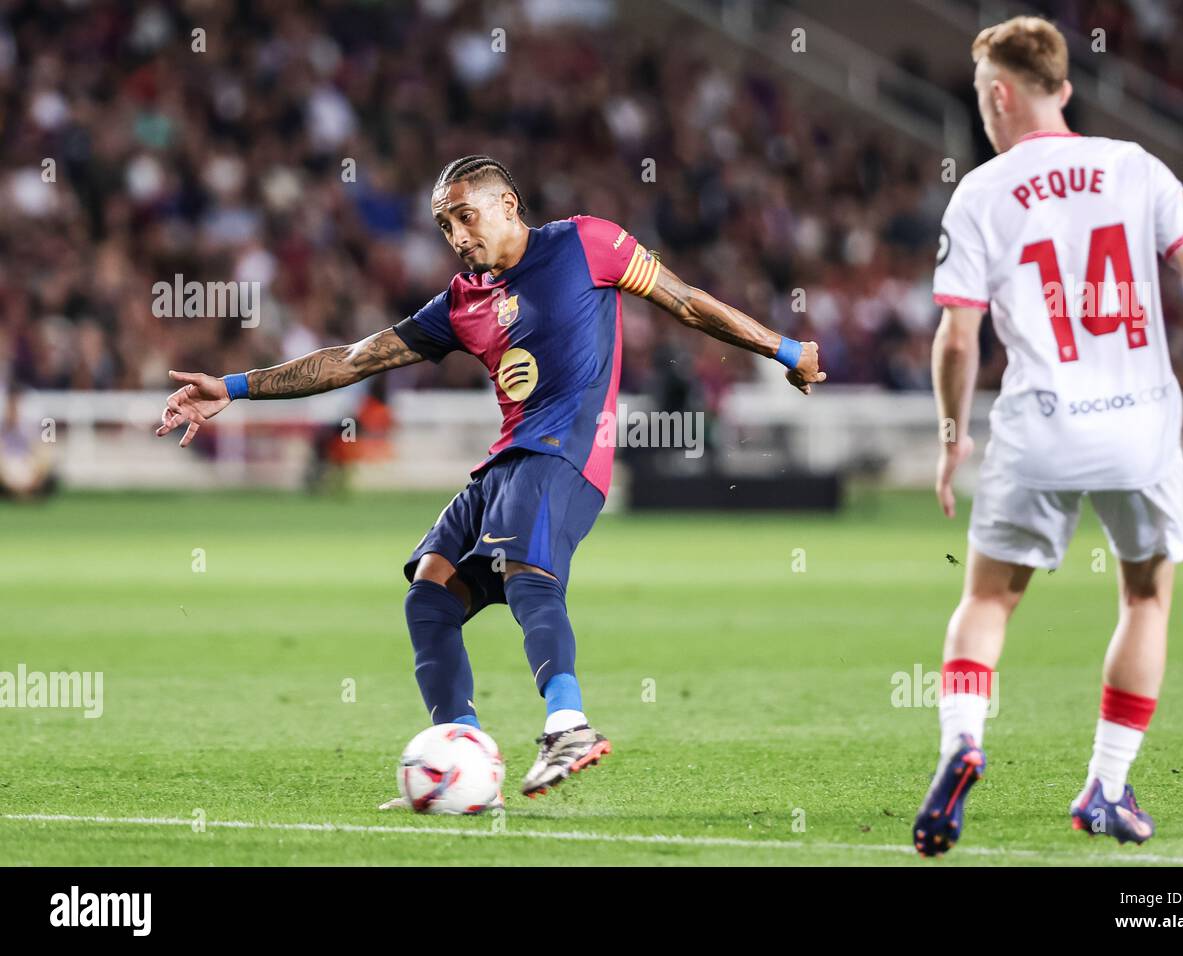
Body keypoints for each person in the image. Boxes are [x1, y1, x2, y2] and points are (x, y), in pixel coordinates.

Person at [157, 155, 826, 806]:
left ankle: (569, 726)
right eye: (445, 226)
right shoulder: (460, 301)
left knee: (526, 574)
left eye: (464, 216)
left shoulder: (588, 243)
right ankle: (464, 752)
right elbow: (353, 360)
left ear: (506, 204)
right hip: (505, 461)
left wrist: (787, 350)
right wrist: (236, 388)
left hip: (563, 456)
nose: (456, 236)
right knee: (430, 594)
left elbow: (686, 303)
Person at [915, 17, 1183, 855]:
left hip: (1039, 425)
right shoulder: (1135, 166)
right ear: (1063, 89)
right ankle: (1106, 785)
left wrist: (952, 436)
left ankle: (962, 742)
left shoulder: (982, 190)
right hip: (1141, 424)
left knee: (988, 598)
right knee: (1145, 597)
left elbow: (958, 336)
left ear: (1000, 96)